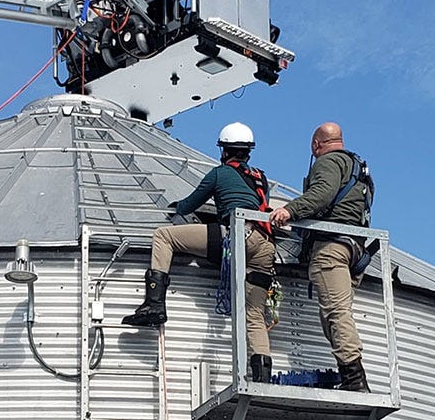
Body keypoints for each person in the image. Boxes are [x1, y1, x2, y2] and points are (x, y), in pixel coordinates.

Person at [122, 122, 277, 383]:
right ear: (248, 151)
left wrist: (176, 207)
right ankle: (263, 378)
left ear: (224, 150)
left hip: (236, 236)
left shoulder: (219, 174)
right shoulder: (260, 177)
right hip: (264, 245)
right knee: (254, 314)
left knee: (163, 236)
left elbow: (190, 203)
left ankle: (154, 305)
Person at [269, 122, 374, 392]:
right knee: (333, 315)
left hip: (331, 248)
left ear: (317, 144)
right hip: (355, 249)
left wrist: (289, 210)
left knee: (336, 313)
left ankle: (355, 380)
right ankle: (351, 376)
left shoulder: (328, 162)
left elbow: (322, 194)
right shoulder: (358, 167)